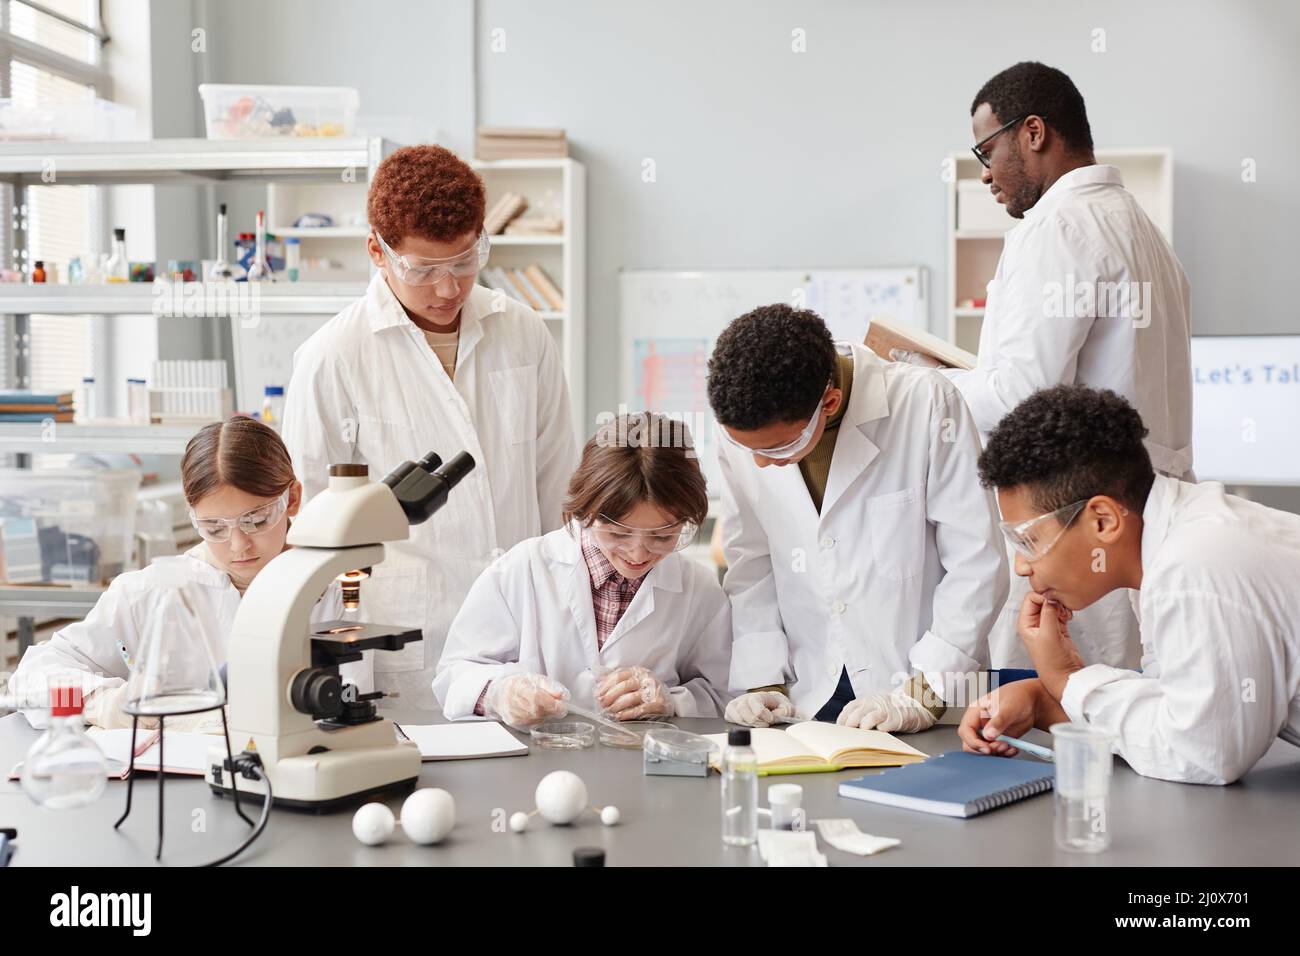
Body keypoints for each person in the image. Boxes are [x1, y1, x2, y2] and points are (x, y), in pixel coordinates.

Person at [902, 62, 1194, 670]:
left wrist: (920, 378)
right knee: (1127, 712)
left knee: (1053, 720)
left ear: (1033, 132)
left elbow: (1019, 400)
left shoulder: (1057, 227)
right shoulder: (1146, 233)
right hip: (1142, 525)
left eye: (988, 150)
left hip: (1075, 527)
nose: (985, 174)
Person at [282, 145, 577, 709]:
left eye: (465, 261)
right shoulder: (331, 357)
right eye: (423, 270)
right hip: (405, 640)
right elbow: (312, 525)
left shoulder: (524, 332)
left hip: (523, 632)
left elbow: (557, 483)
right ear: (377, 250)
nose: (448, 289)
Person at [959, 386, 1300, 785]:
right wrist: (1043, 701)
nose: (1021, 566)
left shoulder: (1196, 564)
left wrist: (1066, 677)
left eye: (1028, 540)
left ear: (1102, 520)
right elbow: (1180, 702)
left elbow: (1206, 753)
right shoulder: (1175, 535)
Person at [707, 305, 1006, 730]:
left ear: (829, 402)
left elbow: (977, 563)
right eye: (746, 448)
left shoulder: (925, 404)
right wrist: (762, 682)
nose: (757, 463)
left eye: (773, 449)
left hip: (918, 685)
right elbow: (750, 562)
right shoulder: (745, 426)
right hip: (807, 692)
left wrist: (924, 693)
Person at [7, 417, 367, 729]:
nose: (239, 544)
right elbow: (33, 677)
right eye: (214, 528)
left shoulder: (338, 586)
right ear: (193, 517)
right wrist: (103, 702)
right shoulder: (149, 593)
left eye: (256, 520)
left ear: (292, 499)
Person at [435, 413, 731, 726]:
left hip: (644, 766)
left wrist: (671, 700)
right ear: (587, 509)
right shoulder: (522, 569)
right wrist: (500, 692)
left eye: (662, 536)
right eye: (618, 533)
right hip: (534, 763)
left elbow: (725, 693)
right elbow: (455, 673)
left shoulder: (699, 590)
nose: (638, 552)